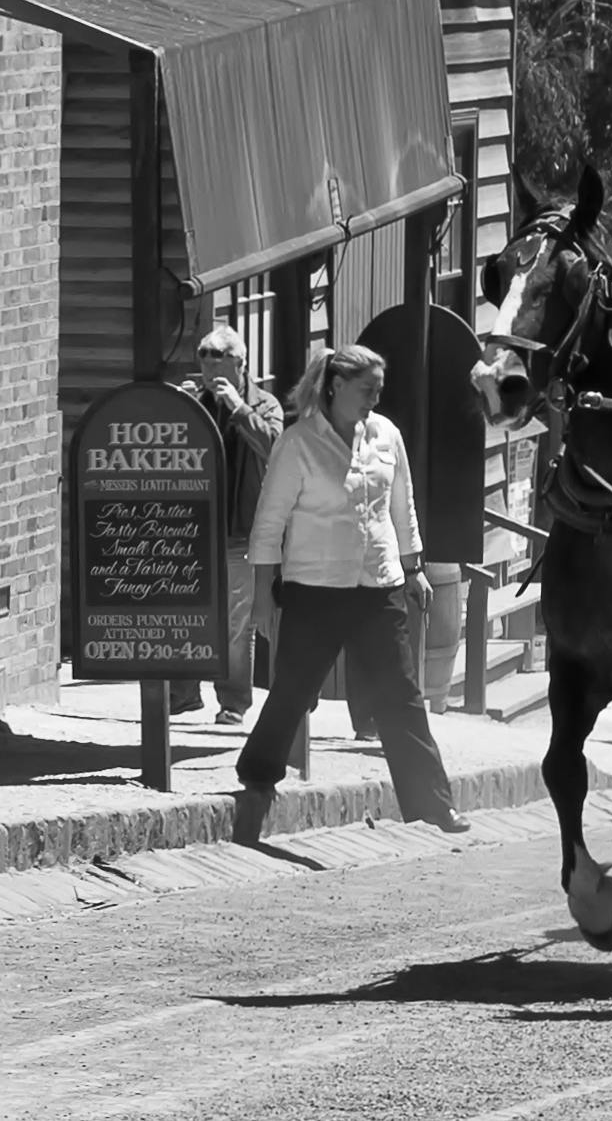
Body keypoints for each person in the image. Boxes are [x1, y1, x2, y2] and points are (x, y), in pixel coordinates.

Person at [231, 344, 465, 844]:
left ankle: (433, 804)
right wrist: (262, 593)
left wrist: (413, 568)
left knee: (401, 694)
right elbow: (269, 523)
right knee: (296, 688)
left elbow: (402, 506)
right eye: (367, 390)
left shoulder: (386, 436)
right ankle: (257, 770)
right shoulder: (297, 443)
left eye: (379, 390)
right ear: (335, 386)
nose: (374, 399)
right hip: (314, 587)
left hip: (377, 585)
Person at [175, 323, 286, 725]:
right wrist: (180, 409)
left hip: (241, 529)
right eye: (206, 374)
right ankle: (184, 695)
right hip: (194, 529)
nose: (212, 382)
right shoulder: (198, 401)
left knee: (237, 621)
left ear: (241, 365)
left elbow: (274, 445)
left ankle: (234, 703)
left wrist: (238, 407)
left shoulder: (264, 404)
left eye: (219, 374)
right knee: (188, 614)